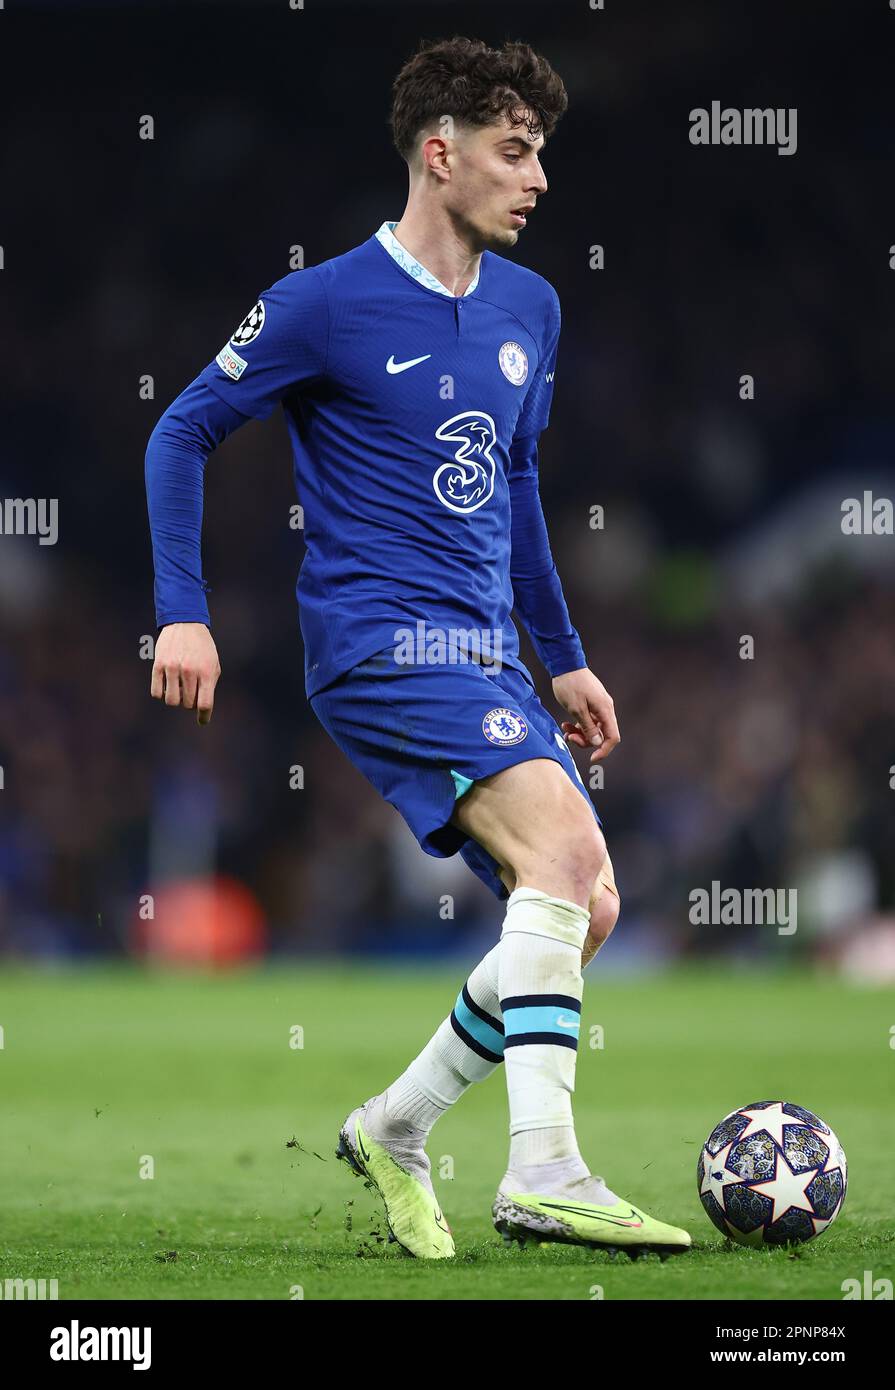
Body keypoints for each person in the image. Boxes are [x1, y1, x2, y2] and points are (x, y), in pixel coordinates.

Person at [144, 35, 690, 1260]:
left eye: (541, 149)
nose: (537, 175)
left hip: (491, 651)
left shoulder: (529, 308)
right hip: (379, 640)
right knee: (565, 845)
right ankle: (545, 1171)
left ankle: (395, 1124)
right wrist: (183, 609)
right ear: (439, 156)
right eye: (514, 148)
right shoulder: (322, 303)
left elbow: (517, 483)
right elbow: (178, 432)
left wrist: (561, 653)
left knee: (584, 907)